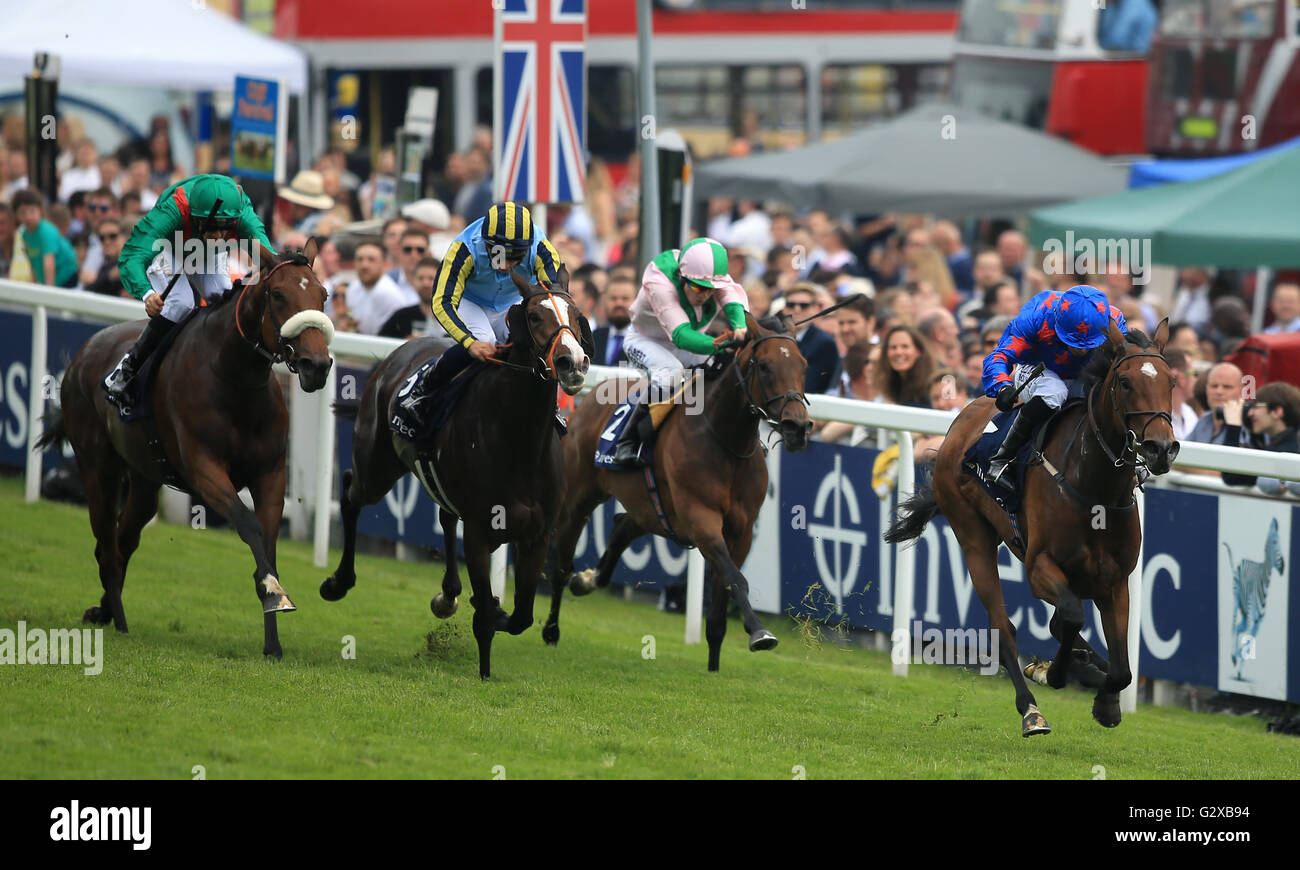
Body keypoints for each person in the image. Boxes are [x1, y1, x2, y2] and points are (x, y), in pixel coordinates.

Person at [103, 174, 275, 403]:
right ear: (195, 216)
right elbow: (134, 254)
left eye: (223, 229)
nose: (216, 235)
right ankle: (125, 371)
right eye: (211, 228)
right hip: (169, 248)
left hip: (206, 255)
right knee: (181, 304)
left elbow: (268, 257)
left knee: (228, 309)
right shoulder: (173, 209)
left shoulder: (241, 213)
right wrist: (146, 293)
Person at [612, 237, 750, 467]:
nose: (705, 295)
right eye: (698, 287)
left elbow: (732, 299)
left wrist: (740, 327)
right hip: (646, 340)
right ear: (683, 278)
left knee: (729, 368)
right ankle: (627, 441)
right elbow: (681, 336)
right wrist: (718, 344)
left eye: (711, 290)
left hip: (686, 343)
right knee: (671, 374)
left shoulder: (709, 275)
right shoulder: (660, 279)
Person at [983, 284, 1127, 488]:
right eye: (1074, 342)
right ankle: (1002, 459)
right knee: (1054, 392)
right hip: (1037, 368)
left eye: (1088, 344)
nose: (1081, 350)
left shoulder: (1115, 322)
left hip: (1083, 375)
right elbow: (999, 356)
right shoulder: (1035, 318)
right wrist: (1002, 386)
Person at [431, 201, 564, 361]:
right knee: (485, 342)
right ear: (485, 243)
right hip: (469, 302)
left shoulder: (543, 251)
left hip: (512, 303)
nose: (505, 264)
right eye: (498, 254)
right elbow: (442, 301)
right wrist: (469, 342)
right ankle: (431, 378)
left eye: (515, 257)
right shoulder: (464, 249)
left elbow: (553, 300)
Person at [1220, 382, 1300, 490]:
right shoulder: (1290, 441)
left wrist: (1233, 426)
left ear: (1277, 412)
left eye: (1256, 407)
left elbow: (1231, 477)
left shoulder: (1284, 453)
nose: (1250, 413)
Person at [12, 190, 78, 288]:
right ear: (16, 215)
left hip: (67, 279)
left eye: (32, 211)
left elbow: (49, 264)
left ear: (40, 210)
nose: (28, 217)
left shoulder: (46, 231)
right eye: (23, 213)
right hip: (52, 282)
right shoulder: (25, 234)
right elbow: (33, 262)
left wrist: (48, 292)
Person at [592, 273, 635, 367]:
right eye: (613, 298)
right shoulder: (594, 338)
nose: (619, 303)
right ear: (604, 301)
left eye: (625, 298)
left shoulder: (644, 342)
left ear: (636, 301)